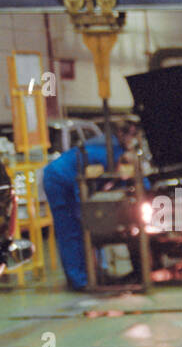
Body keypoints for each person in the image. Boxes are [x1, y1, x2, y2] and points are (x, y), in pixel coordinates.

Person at [41, 122, 138, 291]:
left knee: (90, 228)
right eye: (130, 134)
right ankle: (80, 280)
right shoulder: (104, 152)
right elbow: (85, 182)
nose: (133, 138)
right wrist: (85, 211)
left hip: (74, 181)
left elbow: (133, 178)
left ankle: (98, 272)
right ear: (121, 133)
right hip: (59, 180)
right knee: (72, 230)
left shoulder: (117, 150)